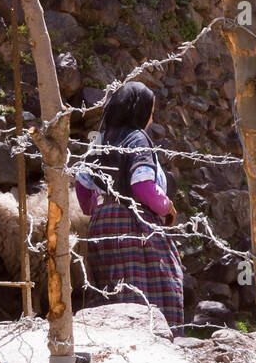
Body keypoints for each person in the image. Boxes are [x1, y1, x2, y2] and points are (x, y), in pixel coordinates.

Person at [75, 81, 184, 336]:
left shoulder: (101, 140)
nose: (151, 117)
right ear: (139, 110)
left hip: (103, 225)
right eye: (151, 110)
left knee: (114, 288)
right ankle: (158, 340)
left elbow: (82, 185)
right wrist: (166, 207)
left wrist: (99, 211)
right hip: (134, 224)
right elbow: (142, 185)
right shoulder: (137, 138)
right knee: (156, 285)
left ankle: (115, 340)